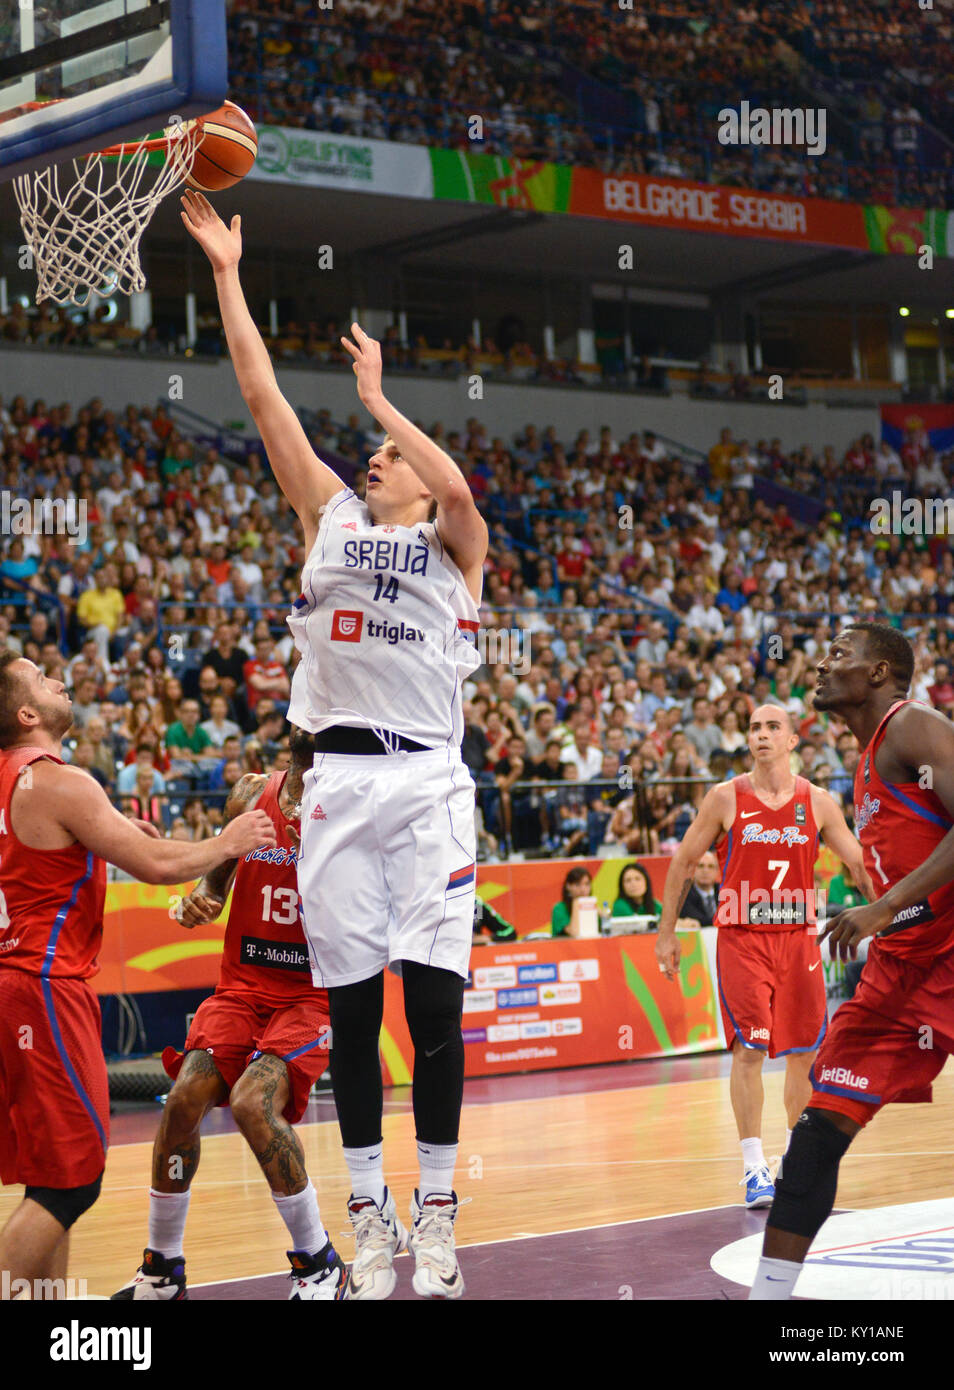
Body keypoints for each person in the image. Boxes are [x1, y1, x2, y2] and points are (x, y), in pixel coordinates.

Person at [182, 189, 488, 1301]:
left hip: (427, 780)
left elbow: (453, 482)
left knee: (437, 1005)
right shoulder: (330, 519)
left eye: (385, 457)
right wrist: (226, 271)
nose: (373, 462)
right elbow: (262, 397)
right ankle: (369, 1214)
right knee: (353, 1015)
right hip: (338, 780)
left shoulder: (456, 543)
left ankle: (442, 1216)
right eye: (368, 452)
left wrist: (381, 399)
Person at [0, 654, 275, 1297]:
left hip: (15, 986)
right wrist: (228, 841)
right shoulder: (60, 781)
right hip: (43, 986)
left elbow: (45, 859)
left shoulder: (13, 782)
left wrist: (108, 840)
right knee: (73, 1183)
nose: (58, 677)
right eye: (42, 677)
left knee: (47, 1176)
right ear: (28, 714)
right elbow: (155, 863)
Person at [750, 626, 954, 1298]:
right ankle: (771, 1295)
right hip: (901, 972)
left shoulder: (914, 728)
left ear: (881, 673)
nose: (821, 664)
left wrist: (884, 905)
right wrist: (890, 916)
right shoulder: (865, 762)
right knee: (815, 1131)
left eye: (840, 654)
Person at [113, 728, 348, 1302]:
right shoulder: (249, 794)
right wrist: (200, 900)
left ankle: (319, 1262)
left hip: (309, 995)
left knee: (250, 1102)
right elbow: (215, 885)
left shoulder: (348, 804)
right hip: (241, 988)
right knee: (185, 1097)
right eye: (301, 711)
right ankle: (162, 1269)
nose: (307, 721)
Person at [656, 703, 874, 1211]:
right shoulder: (724, 797)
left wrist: (885, 914)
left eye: (773, 727)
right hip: (743, 937)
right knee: (749, 1050)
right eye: (754, 727)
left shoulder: (817, 802)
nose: (761, 735)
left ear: (793, 740)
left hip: (799, 939)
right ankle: (754, 1167)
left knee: (804, 1053)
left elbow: (860, 862)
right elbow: (686, 860)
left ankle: (795, 1160)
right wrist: (666, 932)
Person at [677, 850, 721, 927]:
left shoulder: (724, 891)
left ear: (717, 871)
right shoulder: (684, 894)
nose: (705, 871)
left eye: (710, 866)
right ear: (692, 870)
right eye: (700, 866)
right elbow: (698, 919)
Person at [551, 866, 593, 937]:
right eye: (578, 884)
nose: (583, 889)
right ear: (568, 886)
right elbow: (574, 933)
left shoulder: (593, 906)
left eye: (587, 884)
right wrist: (576, 902)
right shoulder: (559, 908)